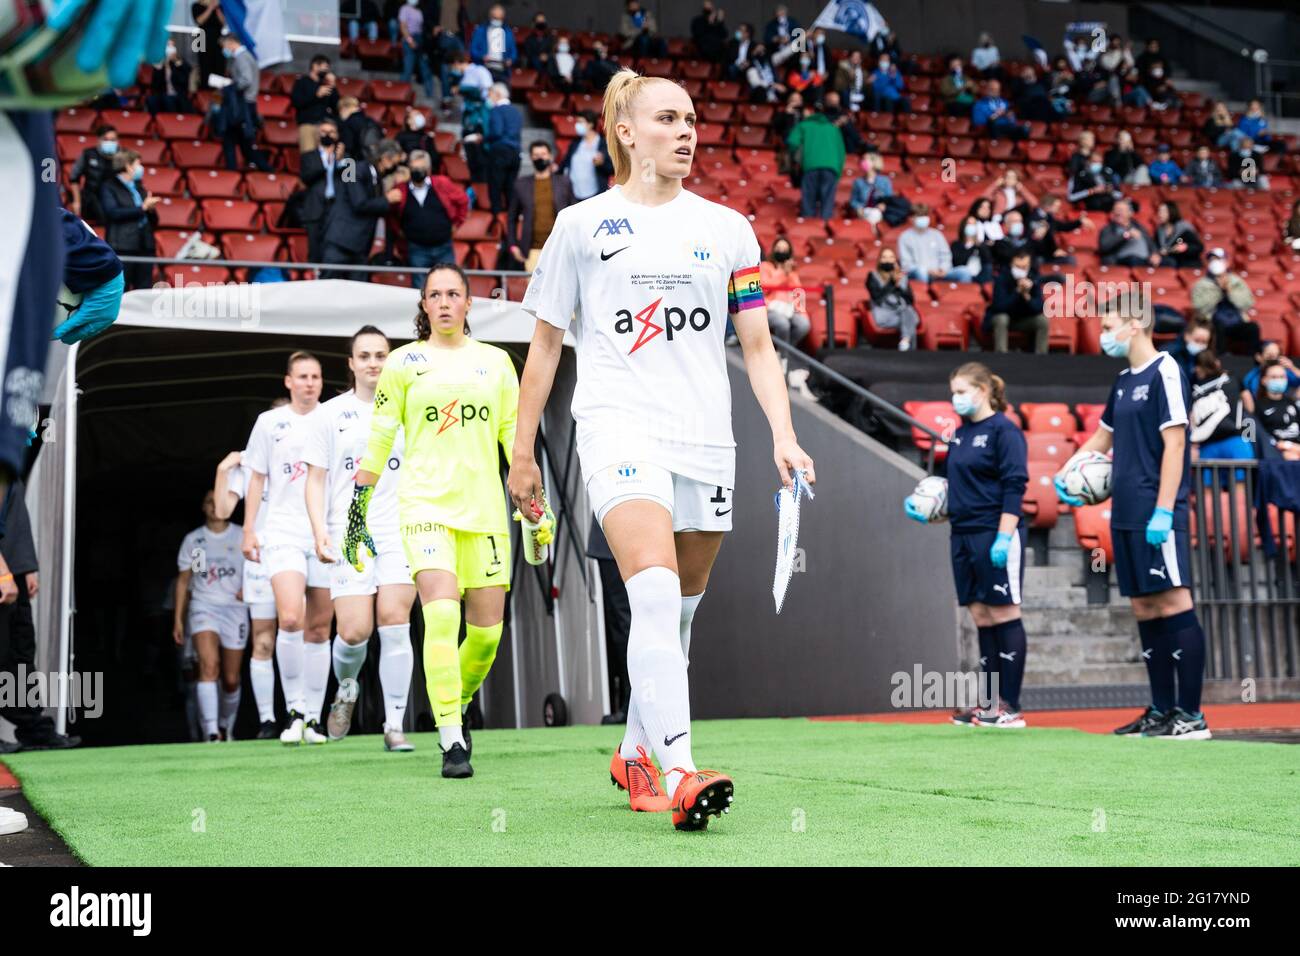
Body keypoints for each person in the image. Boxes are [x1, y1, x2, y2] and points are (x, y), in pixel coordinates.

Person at [513, 69, 815, 830]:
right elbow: (545, 349)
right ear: (625, 130)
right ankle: (680, 770)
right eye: (668, 118)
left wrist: (782, 430)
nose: (686, 131)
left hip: (707, 437)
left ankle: (632, 751)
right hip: (619, 426)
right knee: (648, 593)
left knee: (677, 617)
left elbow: (754, 343)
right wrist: (522, 455)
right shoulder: (579, 228)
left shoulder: (728, 229)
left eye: (691, 119)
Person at [348, 264, 519, 778]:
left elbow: (513, 438)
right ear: (424, 305)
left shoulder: (497, 363)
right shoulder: (403, 363)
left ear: (470, 303)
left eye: (454, 294)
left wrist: (534, 501)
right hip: (425, 507)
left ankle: (455, 700)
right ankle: (450, 738)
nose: (444, 302)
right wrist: (357, 511)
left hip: (485, 509)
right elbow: (379, 438)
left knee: (487, 636)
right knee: (441, 617)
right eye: (434, 295)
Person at [1055, 303, 1211, 740]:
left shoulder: (1167, 370)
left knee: (1175, 603)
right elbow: (1104, 436)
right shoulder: (1123, 381)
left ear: (1134, 324)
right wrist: (1067, 469)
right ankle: (1161, 710)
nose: (1102, 335)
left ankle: (1192, 715)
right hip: (1123, 511)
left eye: (1107, 327)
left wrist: (1165, 509)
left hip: (1156, 509)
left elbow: (1176, 445)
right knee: (1144, 606)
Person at [303, 327, 416, 752]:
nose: (373, 362)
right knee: (353, 632)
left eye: (381, 355)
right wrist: (319, 531)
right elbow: (314, 481)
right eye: (364, 355)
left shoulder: (408, 409)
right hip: (349, 530)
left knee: (395, 620)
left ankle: (394, 725)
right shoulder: (329, 415)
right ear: (350, 363)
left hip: (399, 530)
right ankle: (347, 687)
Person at [905, 363, 1029, 727]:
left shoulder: (1004, 431)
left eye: (961, 391)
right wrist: (933, 510)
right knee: (980, 614)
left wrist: (1005, 536)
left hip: (994, 532)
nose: (955, 398)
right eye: (953, 391)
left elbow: (1014, 486)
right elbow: (959, 488)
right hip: (962, 533)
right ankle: (989, 703)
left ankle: (1011, 706)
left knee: (1004, 612)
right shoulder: (959, 434)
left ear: (983, 390)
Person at [241, 353, 333, 745]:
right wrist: (248, 530)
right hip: (281, 532)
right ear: (288, 381)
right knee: (291, 618)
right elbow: (256, 477)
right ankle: (293, 710)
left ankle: (314, 717)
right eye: (302, 376)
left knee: (319, 627)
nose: (310, 383)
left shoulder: (333, 418)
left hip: (326, 532)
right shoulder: (269, 423)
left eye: (315, 376)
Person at [0, 481, 78, 751]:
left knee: (20, 652)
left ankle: (32, 726)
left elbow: (15, 518)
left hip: (14, 569)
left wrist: (25, 567)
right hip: (3, 572)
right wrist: (4, 573)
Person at [213, 440, 281, 738]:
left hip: (304, 553)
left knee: (305, 634)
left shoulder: (315, 455)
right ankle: (267, 719)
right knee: (263, 642)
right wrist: (222, 468)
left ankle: (306, 714)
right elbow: (222, 509)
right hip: (261, 559)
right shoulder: (251, 466)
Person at [173, 491, 246, 742]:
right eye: (209, 502)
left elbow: (261, 566)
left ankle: (226, 725)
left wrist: (249, 586)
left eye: (220, 501)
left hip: (235, 610)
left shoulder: (242, 535)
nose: (215, 507)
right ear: (203, 507)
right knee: (208, 666)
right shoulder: (196, 541)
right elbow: (188, 580)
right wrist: (178, 620)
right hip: (204, 607)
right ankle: (211, 732)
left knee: (231, 679)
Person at [322, 140, 405, 279]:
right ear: (384, 158)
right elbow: (358, 203)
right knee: (328, 285)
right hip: (341, 241)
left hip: (360, 246)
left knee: (357, 291)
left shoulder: (377, 178)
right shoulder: (353, 168)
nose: (395, 167)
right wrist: (387, 200)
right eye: (394, 163)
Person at [392, 149, 468, 284]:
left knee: (449, 284)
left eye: (421, 168)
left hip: (443, 246)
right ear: (409, 168)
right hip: (417, 248)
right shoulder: (401, 189)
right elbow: (391, 214)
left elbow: (463, 201)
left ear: (428, 169)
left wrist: (457, 224)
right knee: (420, 289)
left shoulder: (441, 183)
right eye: (414, 168)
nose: (417, 171)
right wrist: (399, 231)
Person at [508, 141, 575, 272]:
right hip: (532, 250)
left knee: (561, 291)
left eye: (543, 154)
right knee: (535, 291)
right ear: (531, 158)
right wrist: (512, 245)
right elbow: (512, 218)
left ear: (550, 156)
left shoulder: (564, 182)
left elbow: (575, 213)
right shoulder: (521, 184)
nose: (540, 158)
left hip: (560, 248)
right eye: (536, 155)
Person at [99, 149, 159, 291]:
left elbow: (154, 220)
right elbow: (113, 213)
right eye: (138, 164)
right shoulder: (109, 186)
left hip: (145, 245)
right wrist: (142, 208)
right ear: (128, 166)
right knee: (121, 289)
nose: (141, 168)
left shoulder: (139, 186)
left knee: (144, 290)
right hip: (123, 246)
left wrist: (150, 209)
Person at [219, 33, 271, 172]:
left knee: (239, 142)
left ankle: (265, 169)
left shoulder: (241, 58)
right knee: (240, 143)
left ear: (231, 43)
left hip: (243, 105)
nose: (224, 49)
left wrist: (230, 87)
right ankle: (264, 169)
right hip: (245, 104)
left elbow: (246, 80)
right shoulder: (245, 57)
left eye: (224, 46)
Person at [1189, 350, 1252, 463]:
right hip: (1237, 440)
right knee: (1241, 479)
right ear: (1217, 363)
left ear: (1198, 368)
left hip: (1207, 446)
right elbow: (1250, 407)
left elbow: (1191, 420)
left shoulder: (1194, 390)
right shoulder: (1233, 378)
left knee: (1208, 481)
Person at [1191, 249, 1259, 355]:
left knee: (1253, 328)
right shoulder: (1201, 284)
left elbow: (1247, 303)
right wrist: (1218, 291)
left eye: (1217, 259)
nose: (1214, 262)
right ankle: (1221, 358)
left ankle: (1251, 359)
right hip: (1213, 323)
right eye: (1211, 260)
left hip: (1236, 322)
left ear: (1225, 261)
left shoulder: (1237, 282)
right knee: (1218, 326)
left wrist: (1229, 291)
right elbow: (1200, 307)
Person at [298, 118, 344, 268]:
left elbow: (350, 182)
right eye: (324, 132)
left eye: (331, 132)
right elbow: (307, 177)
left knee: (334, 253)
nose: (327, 135)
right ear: (318, 135)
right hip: (315, 209)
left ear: (337, 135)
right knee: (315, 253)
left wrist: (339, 161)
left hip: (337, 211)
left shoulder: (347, 159)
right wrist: (328, 163)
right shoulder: (308, 156)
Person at [787, 102, 844, 221]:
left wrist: (796, 157)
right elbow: (841, 152)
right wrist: (838, 173)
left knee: (808, 203)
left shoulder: (803, 125)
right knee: (827, 204)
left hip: (810, 167)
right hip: (831, 168)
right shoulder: (833, 128)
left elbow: (792, 142)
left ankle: (809, 229)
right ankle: (824, 229)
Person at [984, 249, 1047, 353]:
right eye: (1018, 266)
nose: (1021, 270)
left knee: (1043, 321)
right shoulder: (1002, 278)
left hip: (1023, 320)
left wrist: (1026, 295)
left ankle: (1041, 357)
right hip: (1004, 319)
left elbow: (1039, 307)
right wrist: (1017, 292)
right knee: (1001, 318)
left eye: (1024, 267)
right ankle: (1001, 355)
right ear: (1011, 264)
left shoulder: (1034, 278)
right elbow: (999, 307)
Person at [759, 238, 811, 352]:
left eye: (784, 250)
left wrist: (803, 314)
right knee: (783, 324)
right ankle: (784, 355)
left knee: (804, 325)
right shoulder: (765, 266)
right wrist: (783, 272)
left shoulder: (792, 272)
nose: (781, 252)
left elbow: (798, 293)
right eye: (778, 249)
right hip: (770, 308)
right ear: (773, 250)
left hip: (789, 309)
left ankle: (784, 351)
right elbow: (764, 288)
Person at [476, 83, 522, 214]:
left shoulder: (496, 110)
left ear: (497, 94)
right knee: (510, 187)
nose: (488, 98)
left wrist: (483, 138)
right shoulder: (516, 111)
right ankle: (512, 218)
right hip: (515, 153)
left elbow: (497, 132)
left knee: (495, 187)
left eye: (490, 94)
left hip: (500, 152)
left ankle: (497, 219)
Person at [899, 205, 974, 283]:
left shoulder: (937, 234)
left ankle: (962, 294)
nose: (923, 218)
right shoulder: (905, 237)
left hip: (940, 272)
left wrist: (942, 269)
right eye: (919, 215)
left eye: (925, 215)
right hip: (920, 273)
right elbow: (906, 264)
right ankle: (923, 294)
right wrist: (928, 271)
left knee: (964, 271)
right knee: (921, 272)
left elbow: (946, 255)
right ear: (911, 218)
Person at [866, 248, 920, 351]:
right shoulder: (872, 276)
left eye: (891, 257)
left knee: (907, 310)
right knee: (911, 320)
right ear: (879, 260)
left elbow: (910, 300)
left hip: (902, 312)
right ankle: (909, 348)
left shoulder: (902, 278)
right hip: (884, 315)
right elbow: (877, 297)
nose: (887, 260)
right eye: (884, 257)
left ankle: (905, 341)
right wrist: (892, 282)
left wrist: (898, 285)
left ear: (895, 261)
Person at [67, 125, 117, 223]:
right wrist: (77, 202)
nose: (110, 142)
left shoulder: (121, 156)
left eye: (113, 140)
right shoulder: (88, 154)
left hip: (114, 196)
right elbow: (74, 178)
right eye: (106, 139)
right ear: (99, 140)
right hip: (92, 196)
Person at [560, 111, 614, 201]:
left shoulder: (604, 144)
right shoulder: (575, 143)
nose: (577, 125)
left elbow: (612, 169)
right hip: (574, 194)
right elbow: (566, 163)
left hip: (595, 195)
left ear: (590, 124)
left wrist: (602, 163)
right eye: (577, 122)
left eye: (580, 122)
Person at [291, 55, 339, 153]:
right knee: (308, 155)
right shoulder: (302, 82)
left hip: (324, 127)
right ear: (315, 66)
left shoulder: (326, 84)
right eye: (325, 67)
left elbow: (336, 106)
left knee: (325, 157)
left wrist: (333, 85)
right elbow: (297, 102)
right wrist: (316, 95)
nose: (327, 71)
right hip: (308, 125)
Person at [1255, 361, 1300, 460]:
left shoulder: (1292, 403)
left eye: (1282, 377)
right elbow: (1259, 437)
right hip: (1276, 453)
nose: (1279, 380)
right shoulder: (1258, 406)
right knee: (1291, 457)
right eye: (1274, 377)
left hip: (1296, 449)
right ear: (1264, 380)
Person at [1241, 341, 1300, 414]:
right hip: (1264, 412)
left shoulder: (1285, 371)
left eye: (1277, 356)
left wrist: (1292, 367)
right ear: (1258, 357)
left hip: (1287, 407)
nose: (1274, 359)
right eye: (1270, 356)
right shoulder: (1251, 378)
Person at [1098, 200, 1157, 267]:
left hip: (1145, 260)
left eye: (1121, 210)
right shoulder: (1108, 229)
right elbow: (1104, 247)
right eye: (1116, 210)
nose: (1117, 213)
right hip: (1123, 260)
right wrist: (1126, 235)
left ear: (1130, 213)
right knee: (1134, 259)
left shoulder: (1138, 226)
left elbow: (1150, 242)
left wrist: (1154, 253)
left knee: (1168, 262)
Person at [470, 3, 516, 82]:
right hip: (484, 68)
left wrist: (510, 60)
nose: (497, 20)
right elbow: (473, 50)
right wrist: (482, 57)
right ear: (490, 17)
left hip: (502, 70)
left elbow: (513, 51)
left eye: (500, 18)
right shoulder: (480, 31)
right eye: (495, 18)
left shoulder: (508, 32)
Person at [398, 0, 433, 99]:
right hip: (409, 38)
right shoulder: (404, 9)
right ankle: (401, 94)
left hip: (419, 39)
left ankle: (429, 95)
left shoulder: (419, 10)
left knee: (425, 68)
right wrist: (409, 40)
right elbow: (403, 26)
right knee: (408, 68)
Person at [147, 38, 192, 114]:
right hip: (162, 94)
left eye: (172, 46)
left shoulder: (180, 63)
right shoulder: (160, 63)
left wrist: (176, 63)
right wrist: (159, 69)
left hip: (177, 94)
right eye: (168, 46)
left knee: (168, 100)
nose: (170, 49)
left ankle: (171, 122)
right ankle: (155, 121)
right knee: (151, 100)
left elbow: (183, 80)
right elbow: (155, 86)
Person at [1153, 201, 1203, 269]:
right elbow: (1155, 247)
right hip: (1169, 263)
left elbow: (1199, 247)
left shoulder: (1184, 228)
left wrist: (1186, 247)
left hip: (1187, 263)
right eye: (1159, 211)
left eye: (1163, 211)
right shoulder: (1159, 230)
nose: (1159, 214)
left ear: (1171, 212)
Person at [848, 152, 893, 227]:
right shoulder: (858, 182)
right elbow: (853, 200)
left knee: (875, 214)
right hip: (864, 210)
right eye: (862, 160)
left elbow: (889, 198)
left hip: (879, 212)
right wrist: (858, 207)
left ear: (874, 163)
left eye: (866, 160)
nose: (863, 162)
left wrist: (884, 205)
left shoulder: (885, 181)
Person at [1161, 317, 1212, 383]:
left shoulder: (1197, 356)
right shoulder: (1171, 353)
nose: (1200, 345)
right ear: (1186, 335)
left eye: (1204, 342)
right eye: (1197, 340)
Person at [191, 0, 226, 88]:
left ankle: (218, 90)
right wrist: (210, 8)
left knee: (219, 65)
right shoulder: (196, 6)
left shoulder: (219, 6)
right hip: (202, 37)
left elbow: (223, 22)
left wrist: (216, 8)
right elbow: (199, 21)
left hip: (217, 38)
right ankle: (205, 89)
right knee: (204, 65)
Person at [952, 215, 994, 282]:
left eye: (974, 224)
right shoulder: (956, 245)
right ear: (964, 226)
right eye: (969, 224)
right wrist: (971, 249)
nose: (971, 227)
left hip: (979, 276)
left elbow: (987, 261)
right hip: (962, 275)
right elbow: (957, 262)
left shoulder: (981, 246)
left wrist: (979, 246)